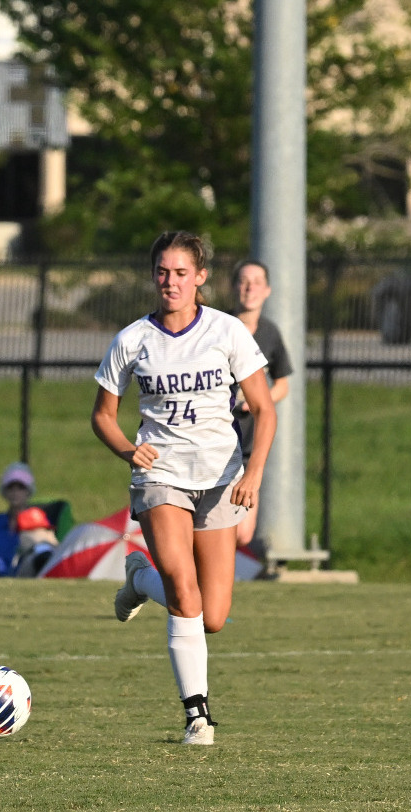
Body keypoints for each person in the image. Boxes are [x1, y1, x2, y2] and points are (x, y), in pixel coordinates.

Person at [97, 231, 275, 745]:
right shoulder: (132, 339)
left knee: (212, 615)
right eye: (162, 272)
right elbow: (102, 417)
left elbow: (264, 409)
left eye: (180, 273)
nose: (170, 282)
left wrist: (255, 473)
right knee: (184, 586)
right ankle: (198, 715)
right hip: (160, 478)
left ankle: (137, 580)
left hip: (221, 480)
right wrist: (128, 451)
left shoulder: (227, 331)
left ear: (200, 277)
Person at [227, 259, 297, 550]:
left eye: (256, 282)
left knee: (243, 533)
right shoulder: (221, 327)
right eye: (243, 281)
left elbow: (282, 384)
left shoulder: (269, 333)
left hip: (250, 445)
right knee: (219, 529)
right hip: (218, 440)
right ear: (233, 288)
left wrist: (258, 402)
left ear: (267, 290)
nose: (249, 287)